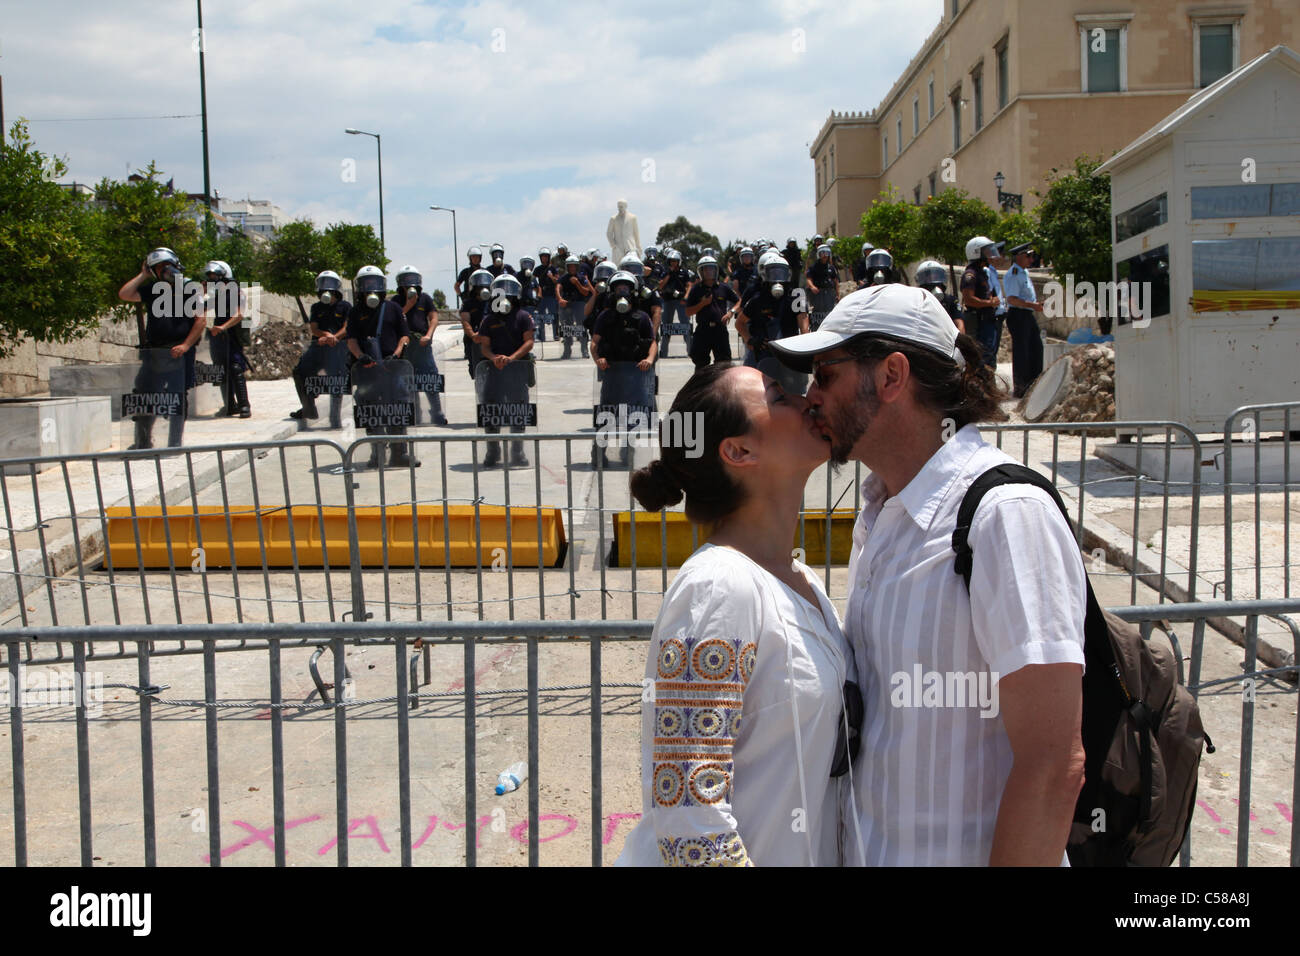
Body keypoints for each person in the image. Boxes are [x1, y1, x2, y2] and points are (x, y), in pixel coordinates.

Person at [769, 283, 1087, 866]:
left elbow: (1053, 765)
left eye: (825, 373)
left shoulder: (1005, 515)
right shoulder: (882, 512)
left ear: (891, 376)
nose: (809, 396)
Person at [615, 362, 859, 866]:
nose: (804, 398)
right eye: (776, 394)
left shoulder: (801, 581)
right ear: (738, 450)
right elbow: (688, 814)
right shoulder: (718, 588)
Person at [117, 247, 205, 449]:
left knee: (178, 396)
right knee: (144, 393)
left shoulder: (190, 288)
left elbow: (200, 321)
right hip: (155, 352)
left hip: (179, 353)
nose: (163, 271)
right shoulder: (153, 290)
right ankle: (143, 441)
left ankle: (174, 442)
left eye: (166, 266)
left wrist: (185, 345)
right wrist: (142, 275)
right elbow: (125, 294)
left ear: (175, 265)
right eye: (157, 268)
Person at [347, 264, 418, 470]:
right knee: (370, 409)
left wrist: (396, 353)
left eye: (375, 283)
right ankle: (376, 453)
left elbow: (404, 336)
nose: (371, 287)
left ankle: (399, 453)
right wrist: (360, 356)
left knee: (398, 406)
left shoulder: (393, 308)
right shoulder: (355, 312)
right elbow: (351, 340)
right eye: (367, 283)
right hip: (367, 370)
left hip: (392, 368)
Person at [474, 273, 535, 468]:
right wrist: (494, 358)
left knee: (518, 409)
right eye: (502, 289)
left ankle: (517, 451)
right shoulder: (488, 319)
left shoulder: (523, 317)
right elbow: (484, 347)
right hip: (493, 371)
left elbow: (529, 342)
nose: (506, 294)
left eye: (510, 290)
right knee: (491, 409)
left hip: (517, 371)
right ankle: (493, 451)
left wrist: (512, 358)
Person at [291, 270, 351, 427]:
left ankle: (334, 417)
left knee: (336, 378)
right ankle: (308, 408)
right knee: (300, 371)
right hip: (319, 346)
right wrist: (325, 335)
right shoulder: (317, 307)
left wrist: (334, 338)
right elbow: (314, 328)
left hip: (339, 348)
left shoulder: (345, 306)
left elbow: (347, 327)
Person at [739, 252, 808, 383]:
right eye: (773, 273)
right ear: (765, 274)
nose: (777, 277)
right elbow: (740, 323)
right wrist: (750, 340)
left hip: (788, 352)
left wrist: (804, 341)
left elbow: (803, 319)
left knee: (795, 388)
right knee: (756, 386)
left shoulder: (796, 295)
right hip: (764, 354)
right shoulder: (758, 298)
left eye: (780, 272)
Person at [393, 265, 447, 425]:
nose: (410, 283)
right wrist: (409, 304)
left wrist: (429, 335)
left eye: (412, 279)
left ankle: (437, 413)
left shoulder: (425, 298)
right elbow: (396, 318)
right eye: (406, 280)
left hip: (422, 344)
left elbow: (434, 318)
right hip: (405, 344)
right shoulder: (396, 301)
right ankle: (415, 414)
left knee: (430, 377)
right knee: (408, 381)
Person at [201, 259, 251, 418]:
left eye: (215, 277)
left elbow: (239, 314)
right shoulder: (218, 294)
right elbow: (199, 307)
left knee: (236, 368)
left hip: (232, 336)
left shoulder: (236, 291)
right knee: (220, 370)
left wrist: (223, 327)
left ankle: (244, 405)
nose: (212, 280)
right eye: (211, 277)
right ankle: (229, 405)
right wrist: (201, 293)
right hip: (218, 336)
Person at [1003, 242, 1045, 398]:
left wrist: (1034, 305)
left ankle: (1033, 383)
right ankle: (1021, 387)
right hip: (1018, 315)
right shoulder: (1014, 274)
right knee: (1022, 352)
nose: (1031, 259)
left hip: (1026, 314)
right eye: (1028, 256)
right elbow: (1013, 299)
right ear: (1019, 257)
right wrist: (1032, 305)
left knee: (1035, 348)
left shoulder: (1023, 272)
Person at [683, 254, 739, 369]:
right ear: (701, 271)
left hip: (720, 330)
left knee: (724, 364)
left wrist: (730, 312)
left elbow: (739, 302)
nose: (709, 271)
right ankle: (701, 386)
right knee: (700, 363)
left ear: (716, 270)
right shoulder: (696, 289)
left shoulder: (723, 287)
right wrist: (702, 304)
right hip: (703, 330)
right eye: (706, 269)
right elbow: (688, 312)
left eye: (711, 268)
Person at [960, 236, 1001, 369]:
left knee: (989, 358)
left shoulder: (983, 272)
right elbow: (969, 299)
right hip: (979, 322)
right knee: (981, 359)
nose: (990, 255)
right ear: (977, 252)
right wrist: (989, 303)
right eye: (987, 251)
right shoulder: (971, 274)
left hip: (987, 320)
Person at [555, 254, 594, 360]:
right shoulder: (564, 278)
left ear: (577, 267)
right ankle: (567, 350)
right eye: (570, 266)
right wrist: (560, 299)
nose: (572, 268)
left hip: (579, 304)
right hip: (567, 305)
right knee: (566, 328)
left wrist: (577, 283)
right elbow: (558, 287)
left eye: (574, 266)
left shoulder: (581, 278)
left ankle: (584, 350)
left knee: (582, 327)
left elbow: (586, 292)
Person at [458, 268, 494, 378]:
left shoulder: (495, 301)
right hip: (474, 341)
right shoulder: (468, 303)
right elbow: (465, 321)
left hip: (492, 340)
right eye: (479, 285)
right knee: (476, 372)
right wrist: (473, 335)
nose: (483, 286)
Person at [657, 248, 692, 358]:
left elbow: (689, 285)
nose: (673, 263)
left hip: (681, 301)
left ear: (679, 261)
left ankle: (691, 351)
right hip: (668, 301)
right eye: (671, 261)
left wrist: (686, 297)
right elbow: (660, 286)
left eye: (675, 261)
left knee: (685, 325)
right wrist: (668, 274)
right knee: (666, 326)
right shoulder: (665, 273)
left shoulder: (684, 272)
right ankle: (663, 352)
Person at [914, 259, 963, 334]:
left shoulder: (950, 301)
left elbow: (960, 324)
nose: (933, 280)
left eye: (936, 276)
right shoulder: (916, 301)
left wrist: (958, 343)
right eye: (928, 277)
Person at [455, 246, 485, 362]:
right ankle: (467, 352)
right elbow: (456, 285)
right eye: (473, 257)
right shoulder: (465, 272)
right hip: (469, 301)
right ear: (470, 258)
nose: (475, 259)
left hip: (482, 300)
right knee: (467, 326)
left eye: (477, 257)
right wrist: (461, 295)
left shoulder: (484, 271)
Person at [805, 243, 839, 331]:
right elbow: (808, 278)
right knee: (818, 313)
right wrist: (812, 287)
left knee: (830, 312)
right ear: (819, 254)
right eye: (822, 253)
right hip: (818, 294)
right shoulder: (813, 267)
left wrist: (837, 294)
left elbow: (836, 281)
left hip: (829, 293)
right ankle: (816, 329)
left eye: (826, 253)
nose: (824, 255)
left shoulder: (831, 267)